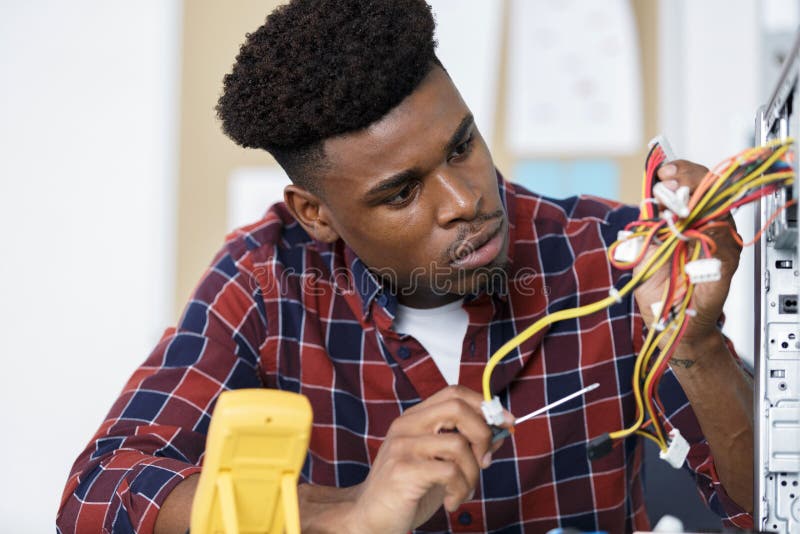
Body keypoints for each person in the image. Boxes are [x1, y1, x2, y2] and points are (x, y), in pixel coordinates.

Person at [57, 1, 755, 532]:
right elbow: (99, 490)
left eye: (461, 147)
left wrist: (699, 346)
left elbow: (767, 506)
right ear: (316, 214)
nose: (466, 203)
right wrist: (347, 512)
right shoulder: (267, 276)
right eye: (402, 192)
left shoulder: (612, 254)